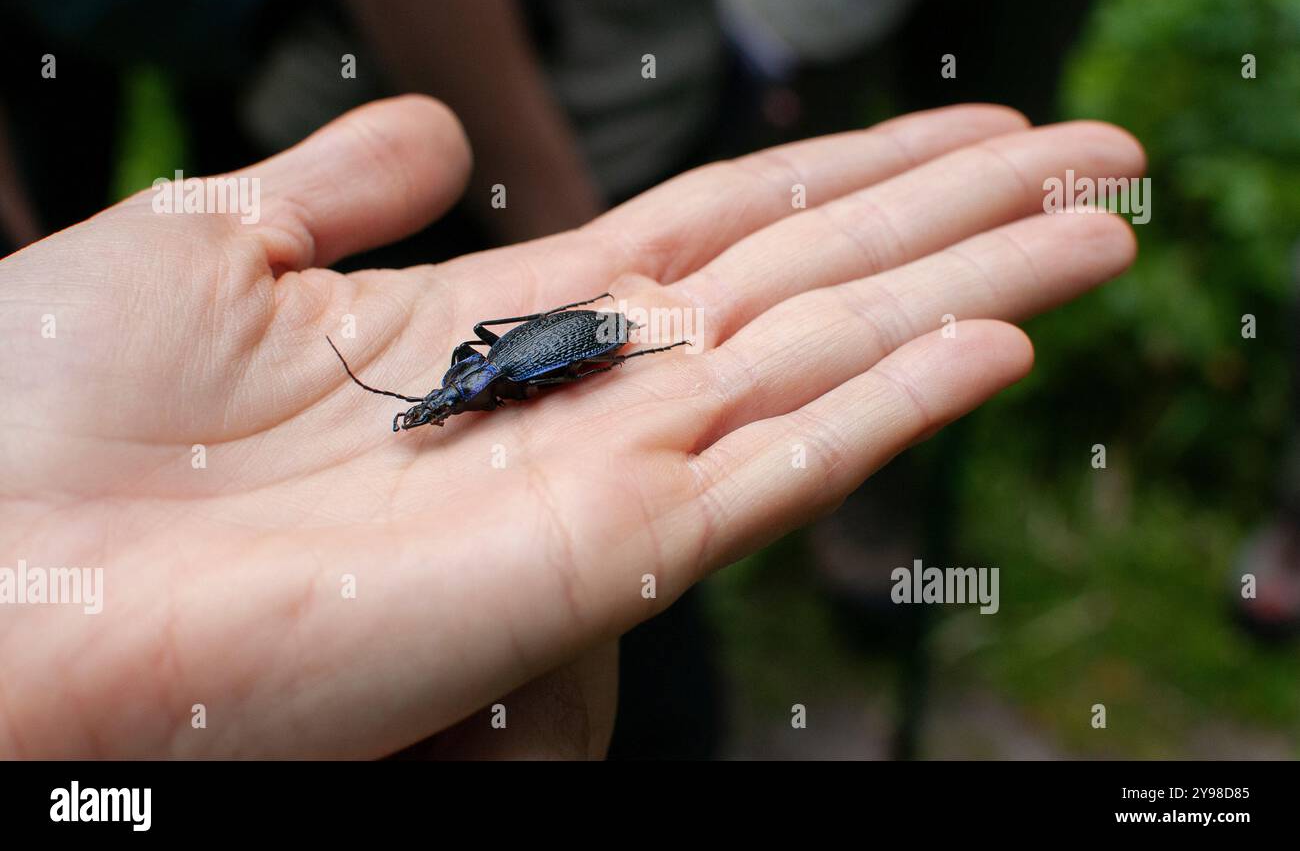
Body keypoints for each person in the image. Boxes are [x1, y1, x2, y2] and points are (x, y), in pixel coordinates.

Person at [0, 96, 1144, 757]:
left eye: (436, 405)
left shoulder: (491, 377)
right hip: (540, 342)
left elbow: (502, 373)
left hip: (558, 339)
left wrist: (577, 347)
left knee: (524, 371)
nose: (439, 411)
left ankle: (594, 347)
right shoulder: (468, 389)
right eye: (436, 408)